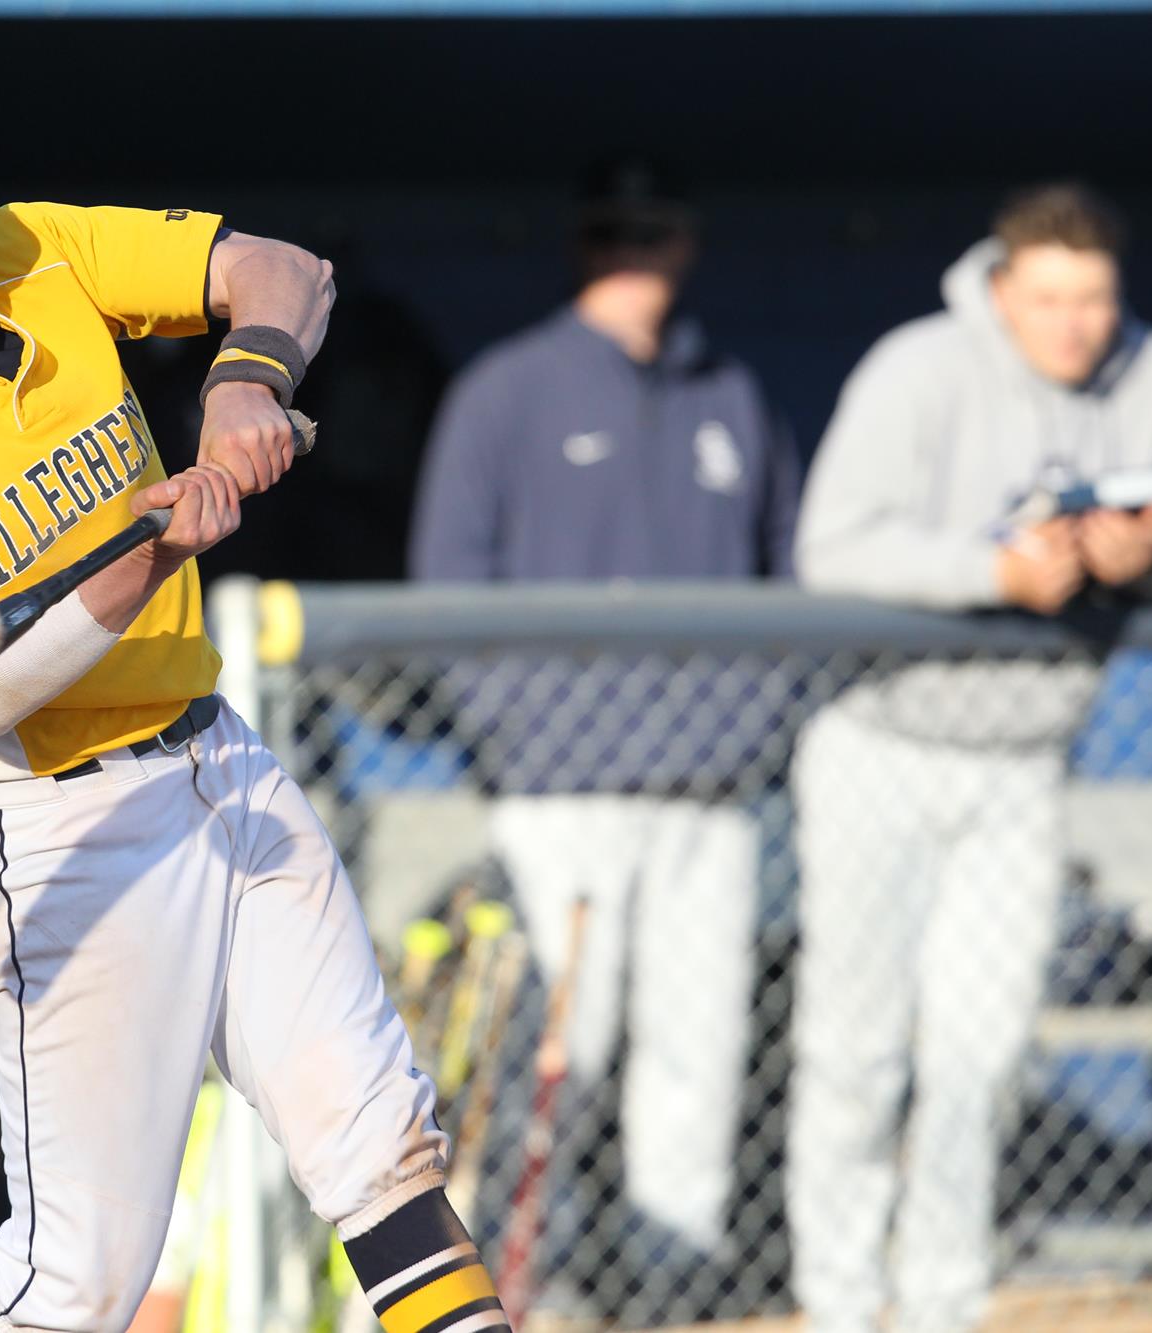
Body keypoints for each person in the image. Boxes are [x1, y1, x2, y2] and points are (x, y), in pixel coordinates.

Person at [0, 76, 510, 1333]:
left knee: (384, 1155)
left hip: (218, 765)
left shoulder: (23, 249)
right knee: (72, 1286)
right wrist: (147, 549)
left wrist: (244, 382)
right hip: (55, 830)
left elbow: (284, 270)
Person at [408, 158, 800, 1322]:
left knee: (697, 1047)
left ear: (684, 245)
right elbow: (447, 580)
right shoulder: (510, 388)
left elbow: (790, 567)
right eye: (614, 234)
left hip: (709, 791)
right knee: (557, 1053)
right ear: (583, 245)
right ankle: (541, 1276)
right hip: (561, 791)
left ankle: (671, 1278)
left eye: (656, 233)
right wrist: (516, 731)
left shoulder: (729, 390)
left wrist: (753, 726)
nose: (636, 255)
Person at [789, 182, 1152, 1333]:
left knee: (980, 1053)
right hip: (880, 744)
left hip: (1022, 761)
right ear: (1000, 289)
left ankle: (941, 1304)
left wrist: (1141, 556)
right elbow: (828, 546)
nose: (1070, 324)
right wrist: (990, 575)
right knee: (856, 1049)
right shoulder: (918, 366)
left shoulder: (1148, 371)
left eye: (1090, 299)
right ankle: (840, 1302)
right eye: (1046, 298)